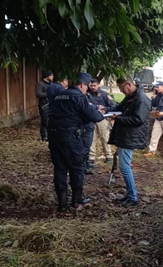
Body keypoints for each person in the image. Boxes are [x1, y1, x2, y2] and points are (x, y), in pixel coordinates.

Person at [47, 72, 104, 211]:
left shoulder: (59, 95)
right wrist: (100, 113)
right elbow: (93, 116)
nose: (87, 90)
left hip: (54, 136)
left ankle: (62, 203)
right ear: (82, 84)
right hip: (70, 136)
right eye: (87, 86)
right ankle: (77, 200)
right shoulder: (78, 97)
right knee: (77, 167)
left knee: (60, 168)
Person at [109, 77, 151, 207]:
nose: (121, 91)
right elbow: (119, 107)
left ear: (129, 84)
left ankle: (133, 197)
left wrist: (118, 118)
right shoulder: (131, 97)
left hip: (131, 137)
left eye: (121, 88)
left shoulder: (141, 99)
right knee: (124, 166)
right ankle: (129, 194)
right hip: (125, 136)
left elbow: (138, 120)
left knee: (125, 167)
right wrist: (107, 110)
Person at [88, 78, 117, 165]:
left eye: (94, 85)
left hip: (102, 119)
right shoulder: (87, 94)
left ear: (98, 85)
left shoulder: (104, 94)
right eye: (91, 85)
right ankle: (91, 157)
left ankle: (108, 156)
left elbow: (113, 106)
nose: (93, 87)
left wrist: (105, 109)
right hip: (91, 119)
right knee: (91, 139)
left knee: (105, 137)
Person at [35, 70, 54, 141]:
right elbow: (38, 94)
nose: (52, 77)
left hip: (51, 105)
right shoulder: (40, 84)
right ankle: (43, 136)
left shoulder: (51, 84)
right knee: (45, 121)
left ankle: (50, 136)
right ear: (47, 76)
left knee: (51, 121)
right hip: (44, 106)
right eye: (51, 75)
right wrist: (49, 93)